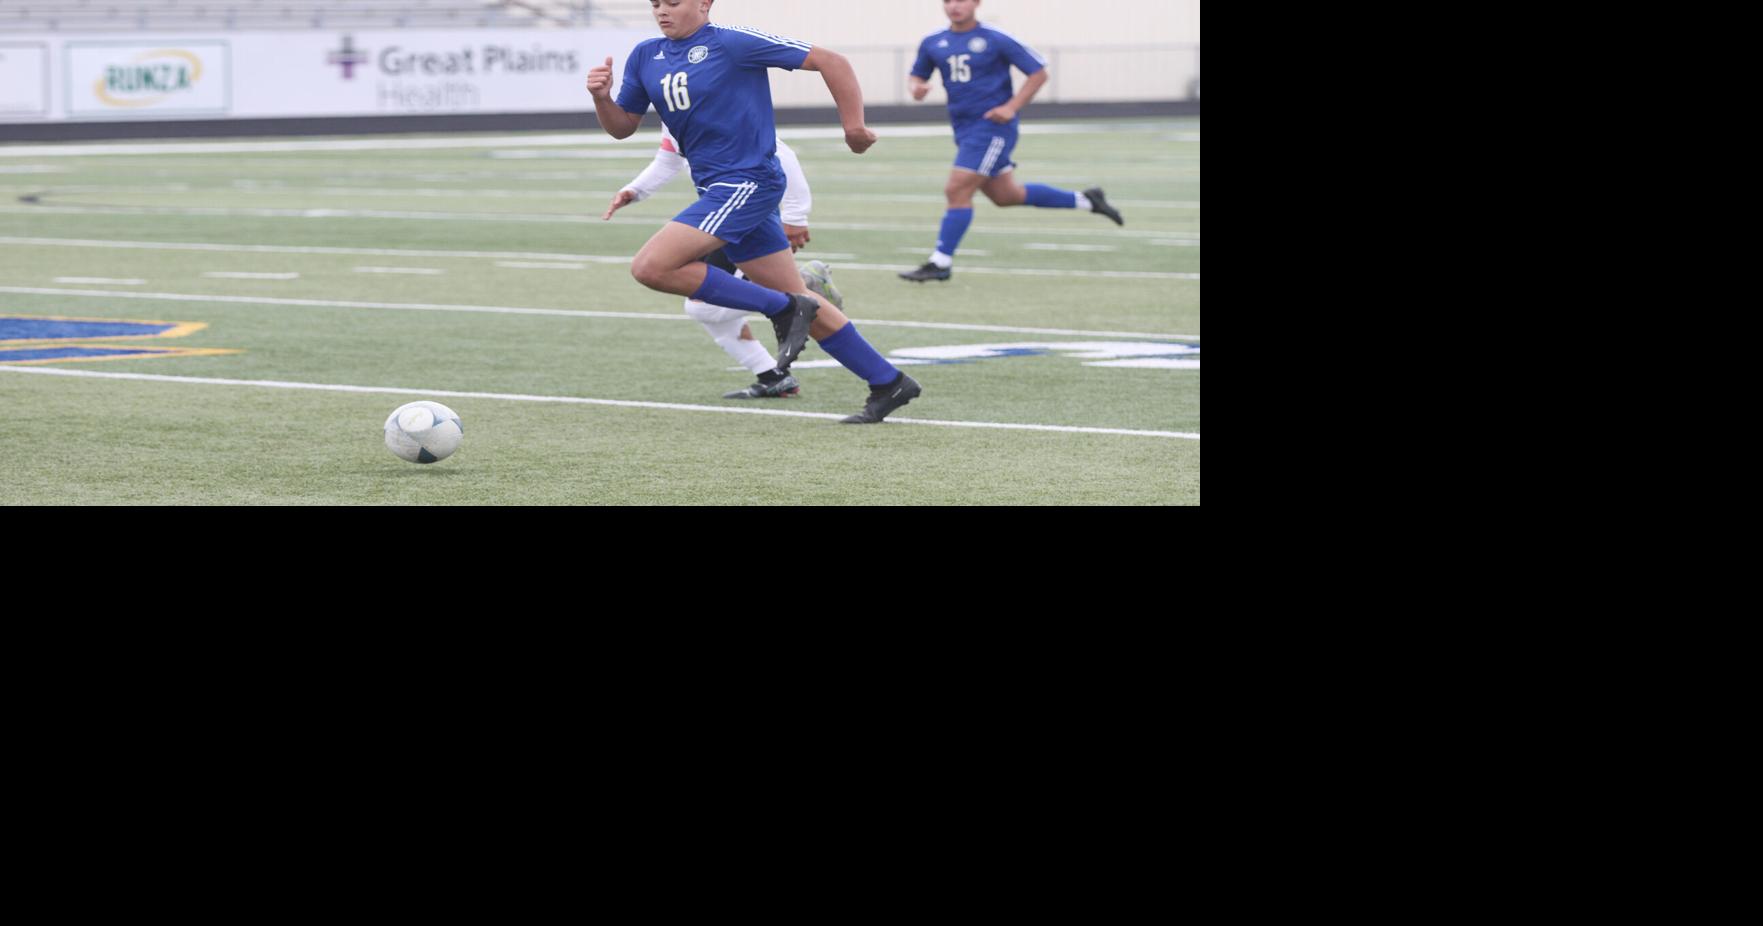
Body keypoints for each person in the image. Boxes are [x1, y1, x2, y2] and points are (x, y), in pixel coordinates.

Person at [586, 0, 922, 424]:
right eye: (655, 3)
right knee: (805, 299)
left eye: (673, 2)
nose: (662, 10)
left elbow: (831, 61)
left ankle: (780, 308)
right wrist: (601, 98)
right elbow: (622, 127)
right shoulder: (644, 55)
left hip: (749, 183)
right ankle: (888, 381)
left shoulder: (733, 43)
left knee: (651, 267)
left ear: (705, 4)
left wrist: (853, 127)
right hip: (719, 188)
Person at [603, 123, 845, 400]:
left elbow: (781, 152)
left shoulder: (713, 98)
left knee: (703, 306)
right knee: (703, 304)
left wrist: (796, 214)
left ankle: (804, 287)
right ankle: (772, 375)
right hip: (719, 213)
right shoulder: (673, 101)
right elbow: (669, 158)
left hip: (743, 214)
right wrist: (635, 190)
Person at [899, 0, 1124, 284]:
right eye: (948, 0)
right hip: (964, 129)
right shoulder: (934, 41)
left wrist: (1011, 107)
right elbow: (917, 74)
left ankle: (940, 262)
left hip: (992, 127)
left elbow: (1038, 72)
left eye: (962, 0)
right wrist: (916, 88)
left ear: (977, 3)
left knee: (956, 188)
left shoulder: (995, 38)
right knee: (1006, 196)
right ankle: (1086, 201)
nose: (955, 6)